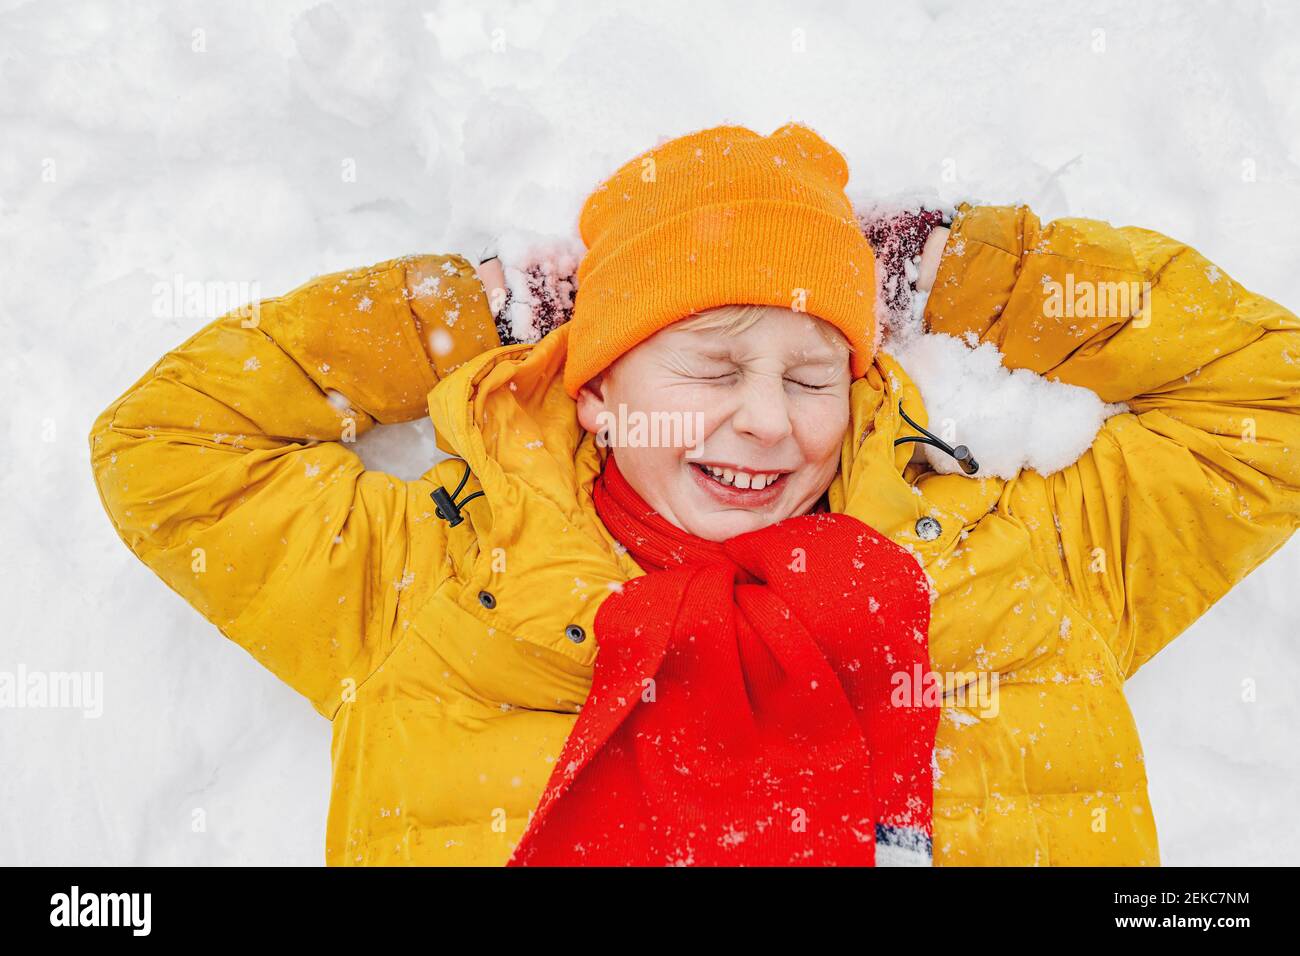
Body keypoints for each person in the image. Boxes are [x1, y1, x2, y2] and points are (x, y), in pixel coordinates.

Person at [89, 122, 1300, 866]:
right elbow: (168, 445)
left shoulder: (1004, 573)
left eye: (813, 372)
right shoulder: (434, 586)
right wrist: (479, 316)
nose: (767, 418)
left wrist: (961, 271)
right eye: (710, 367)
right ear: (599, 394)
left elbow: (1272, 404)